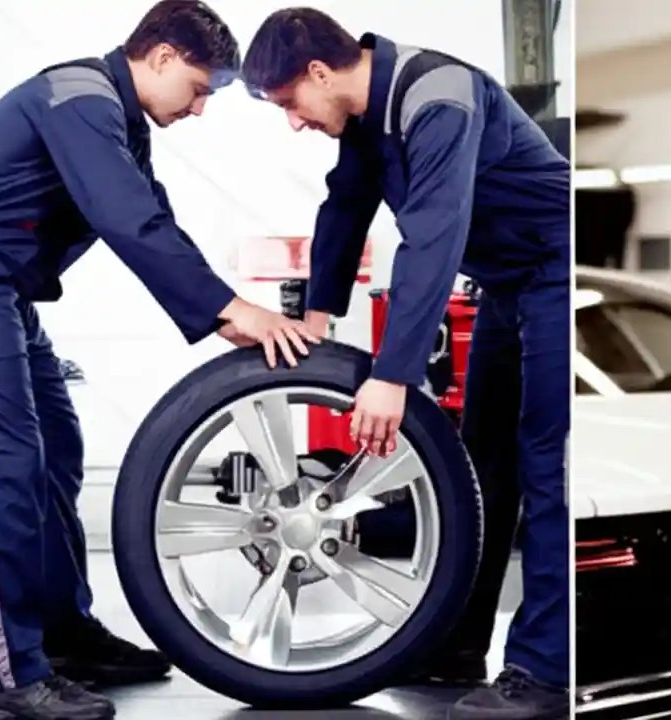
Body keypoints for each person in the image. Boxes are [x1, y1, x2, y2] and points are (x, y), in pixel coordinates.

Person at [0, 2, 317, 718]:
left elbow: (152, 216)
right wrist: (229, 309)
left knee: (54, 448)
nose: (200, 108)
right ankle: (9, 678)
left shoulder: (114, 114)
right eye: (201, 89)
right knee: (1, 467)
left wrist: (218, 304)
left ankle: (64, 634)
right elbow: (123, 217)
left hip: (4, 291)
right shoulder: (79, 97)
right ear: (163, 57)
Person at [241, 8, 570, 719]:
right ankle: (456, 649)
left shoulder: (437, 95)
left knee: (546, 464)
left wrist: (393, 375)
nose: (293, 121)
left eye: (290, 103)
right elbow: (345, 208)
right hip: (509, 284)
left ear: (321, 73)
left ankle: (545, 674)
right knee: (482, 470)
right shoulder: (365, 116)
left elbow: (432, 236)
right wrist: (317, 320)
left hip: (555, 273)